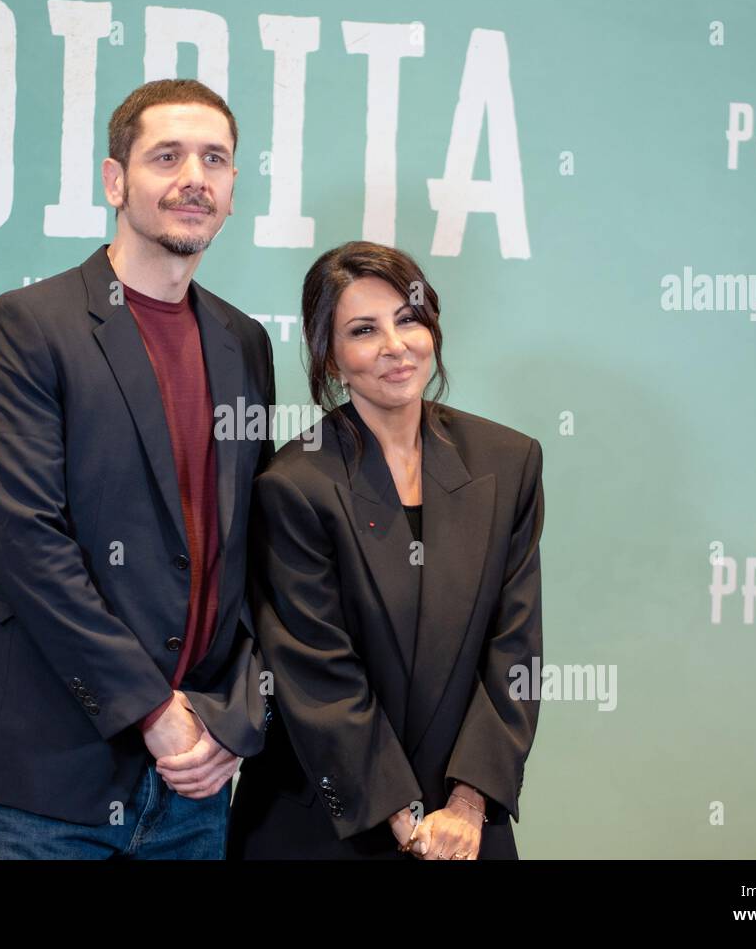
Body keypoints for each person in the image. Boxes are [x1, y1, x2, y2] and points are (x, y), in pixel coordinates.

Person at [0, 79, 275, 859]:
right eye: (167, 156)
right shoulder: (29, 326)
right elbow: (26, 544)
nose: (195, 176)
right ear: (115, 180)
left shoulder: (244, 342)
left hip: (197, 784)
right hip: (47, 786)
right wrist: (153, 712)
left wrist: (232, 719)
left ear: (230, 190)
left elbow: (249, 552)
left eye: (215, 159)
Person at [228, 241, 543, 860]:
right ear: (333, 359)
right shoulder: (295, 484)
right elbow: (316, 670)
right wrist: (405, 818)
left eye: (409, 318)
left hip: (466, 822)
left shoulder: (509, 463)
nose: (395, 345)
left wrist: (468, 803)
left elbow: (515, 647)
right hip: (328, 816)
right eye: (363, 330)